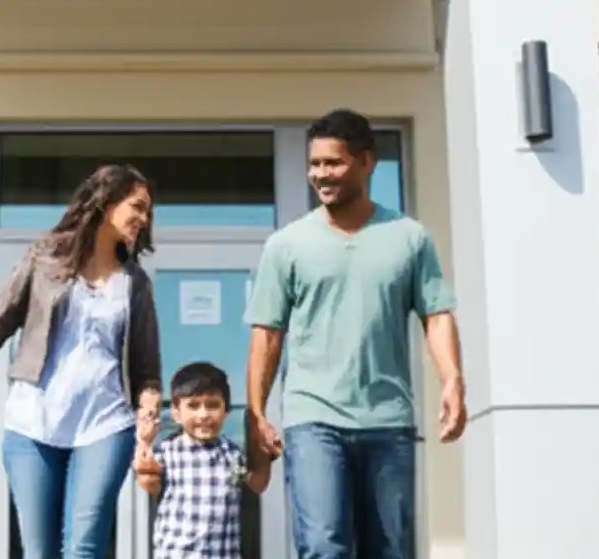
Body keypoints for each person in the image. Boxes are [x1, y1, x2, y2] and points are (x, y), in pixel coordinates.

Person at [244, 108, 466, 559]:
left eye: (333, 163)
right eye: (315, 164)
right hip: (313, 419)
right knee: (325, 546)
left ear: (367, 161)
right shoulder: (287, 245)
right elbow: (267, 333)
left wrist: (452, 379)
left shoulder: (409, 238)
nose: (320, 175)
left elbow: (437, 314)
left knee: (390, 550)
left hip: (388, 420)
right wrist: (256, 412)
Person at [0, 164, 164, 559]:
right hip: (32, 423)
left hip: (105, 423)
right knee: (39, 553)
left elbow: (146, 369)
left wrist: (147, 414)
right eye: (137, 206)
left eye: (148, 211)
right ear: (106, 202)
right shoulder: (45, 259)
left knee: (84, 548)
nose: (144, 218)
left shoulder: (134, 283)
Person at [133, 361, 270, 559]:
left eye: (213, 405)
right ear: (176, 413)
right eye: (193, 406)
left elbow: (256, 484)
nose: (204, 414)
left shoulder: (231, 454)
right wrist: (144, 443)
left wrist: (263, 447)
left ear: (226, 411)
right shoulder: (169, 452)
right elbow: (149, 483)